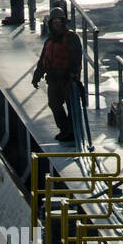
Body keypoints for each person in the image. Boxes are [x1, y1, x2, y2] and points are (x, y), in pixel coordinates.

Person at [31, 7, 83, 143]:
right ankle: (64, 129)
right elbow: (43, 60)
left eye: (60, 21)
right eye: (55, 22)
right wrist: (37, 76)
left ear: (64, 22)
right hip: (53, 79)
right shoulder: (49, 41)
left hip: (67, 79)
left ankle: (72, 131)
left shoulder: (71, 37)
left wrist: (74, 75)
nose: (57, 24)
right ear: (51, 24)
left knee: (72, 106)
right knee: (54, 104)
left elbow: (76, 58)